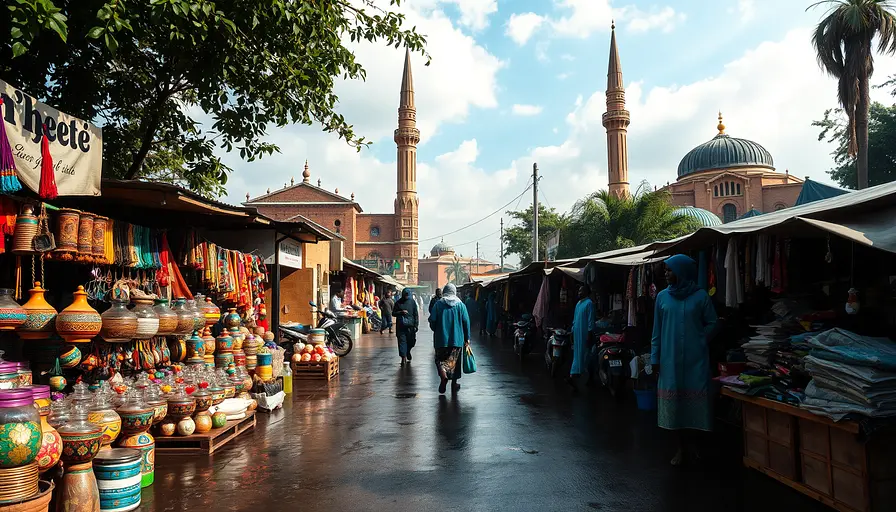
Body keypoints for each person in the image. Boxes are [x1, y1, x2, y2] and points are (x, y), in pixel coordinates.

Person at [650, 254, 717, 466]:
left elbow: (713, 323)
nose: (666, 274)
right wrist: (655, 357)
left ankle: (695, 446)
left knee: (694, 403)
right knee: (675, 405)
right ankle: (679, 448)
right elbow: (656, 331)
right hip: (669, 360)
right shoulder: (662, 297)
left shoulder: (700, 296)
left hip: (695, 361)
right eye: (666, 270)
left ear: (681, 272)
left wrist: (699, 338)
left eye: (670, 270)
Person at [429, 283, 471, 394]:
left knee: (439, 360)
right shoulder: (461, 305)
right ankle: (454, 384)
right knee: (454, 362)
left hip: (441, 340)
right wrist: (467, 338)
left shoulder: (438, 305)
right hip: (457, 340)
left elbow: (432, 320)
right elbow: (466, 322)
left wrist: (436, 329)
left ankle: (443, 375)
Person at [567, 285, 595, 390]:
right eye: (578, 291)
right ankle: (574, 375)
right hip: (577, 333)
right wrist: (572, 332)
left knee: (584, 355)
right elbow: (575, 320)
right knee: (577, 355)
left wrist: (589, 333)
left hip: (584, 334)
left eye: (581, 291)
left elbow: (590, 320)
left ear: (586, 292)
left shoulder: (589, 304)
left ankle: (578, 376)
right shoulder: (578, 304)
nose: (579, 292)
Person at [393, 288, 419, 365]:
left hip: (410, 326)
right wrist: (400, 312)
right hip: (401, 326)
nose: (406, 296)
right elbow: (393, 313)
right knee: (402, 342)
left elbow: (416, 314)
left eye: (407, 295)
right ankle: (403, 357)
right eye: (405, 295)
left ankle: (408, 351)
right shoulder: (398, 303)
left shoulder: (412, 302)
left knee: (411, 342)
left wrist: (416, 325)